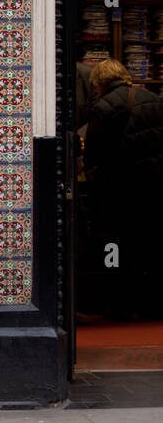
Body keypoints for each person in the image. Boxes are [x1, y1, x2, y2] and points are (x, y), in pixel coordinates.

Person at [83, 60, 163, 319]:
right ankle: (150, 301)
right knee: (149, 243)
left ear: (99, 82)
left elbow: (93, 153)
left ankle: (119, 302)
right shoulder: (153, 99)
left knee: (115, 246)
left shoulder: (104, 107)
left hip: (121, 190)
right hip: (154, 186)